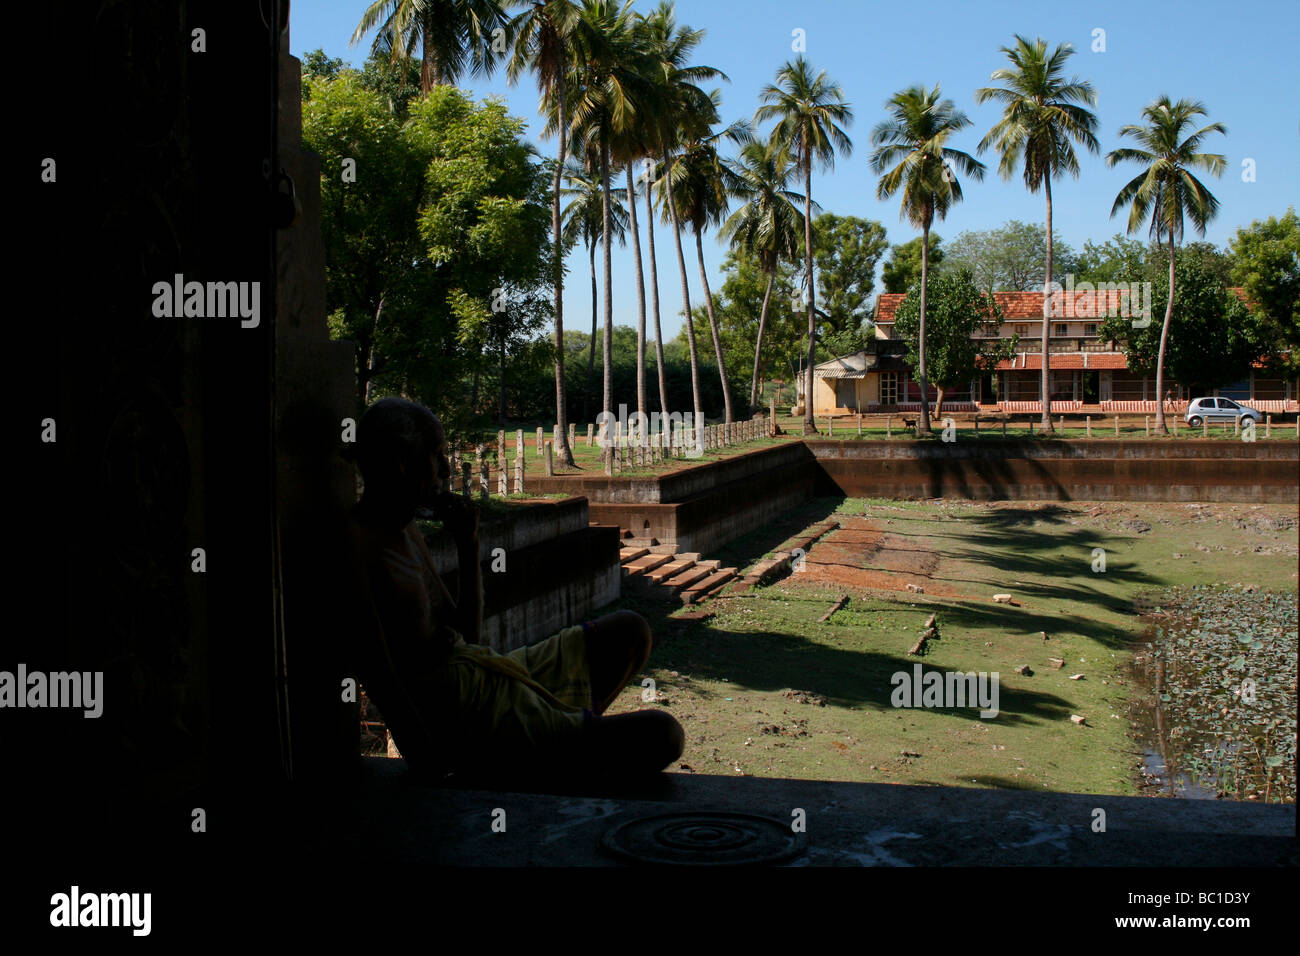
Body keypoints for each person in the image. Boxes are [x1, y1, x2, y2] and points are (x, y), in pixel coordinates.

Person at [345, 397, 684, 783]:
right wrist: (434, 773)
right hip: (466, 713)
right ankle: (547, 752)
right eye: (436, 455)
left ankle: (562, 736)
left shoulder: (406, 529)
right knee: (663, 734)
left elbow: (468, 638)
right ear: (401, 463)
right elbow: (381, 675)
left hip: (479, 672)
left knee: (630, 631)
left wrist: (469, 545)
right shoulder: (357, 545)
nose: (444, 468)